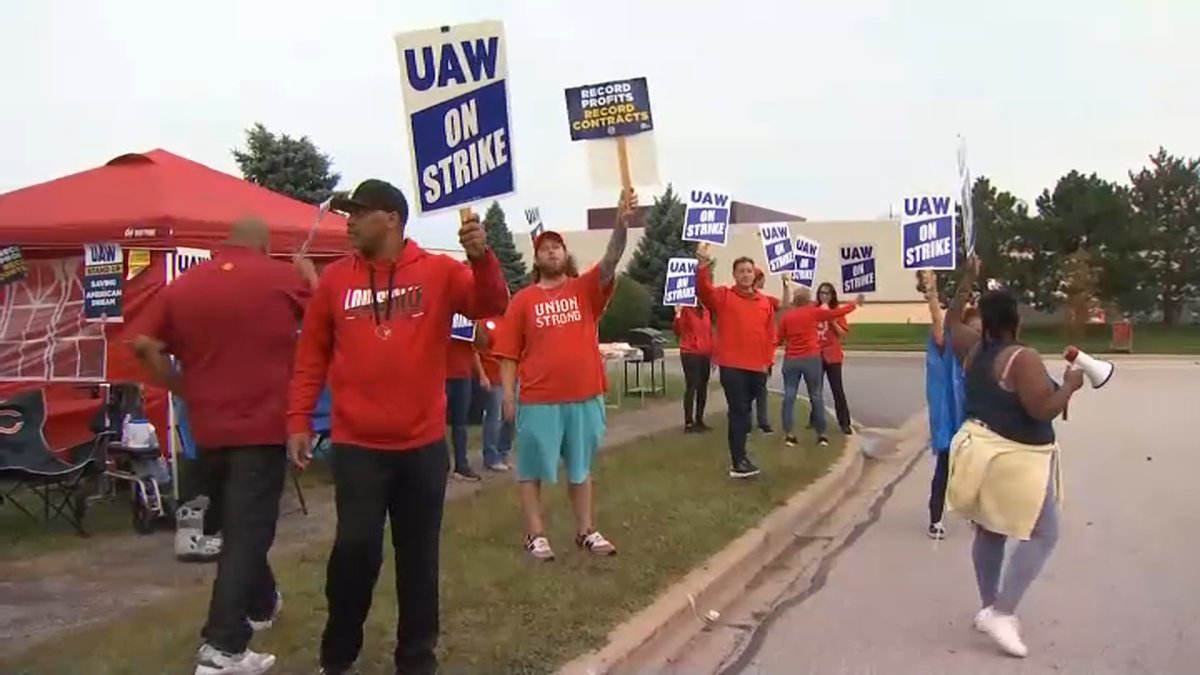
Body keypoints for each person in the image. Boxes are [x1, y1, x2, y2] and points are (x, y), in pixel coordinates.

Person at [285, 179, 508, 675]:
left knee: (418, 559)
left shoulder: (439, 271)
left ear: (390, 218)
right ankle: (338, 655)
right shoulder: (336, 281)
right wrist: (298, 418)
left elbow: (491, 305)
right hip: (358, 446)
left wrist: (482, 257)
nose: (348, 222)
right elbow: (310, 357)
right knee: (354, 551)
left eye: (357, 213)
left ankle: (416, 659)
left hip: (422, 446)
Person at [130, 218, 317, 675]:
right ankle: (224, 647)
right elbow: (323, 326)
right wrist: (310, 277)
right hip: (262, 427)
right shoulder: (281, 277)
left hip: (207, 429)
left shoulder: (185, 285)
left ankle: (263, 602)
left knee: (237, 528)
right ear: (265, 243)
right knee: (249, 534)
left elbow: (143, 345)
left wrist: (179, 385)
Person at [943, 259, 1085, 658]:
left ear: (984, 321)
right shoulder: (1022, 358)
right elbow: (1042, 408)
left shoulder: (971, 349)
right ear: (1016, 320)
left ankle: (990, 606)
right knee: (1045, 534)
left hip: (980, 449)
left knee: (989, 531)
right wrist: (1070, 385)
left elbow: (951, 319)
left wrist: (967, 278)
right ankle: (1001, 612)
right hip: (1016, 456)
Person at [495, 189, 635, 561]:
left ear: (565, 253)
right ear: (537, 258)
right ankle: (535, 534)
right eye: (545, 248)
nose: (552, 251)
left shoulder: (583, 290)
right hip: (539, 399)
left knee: (580, 468)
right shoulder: (523, 300)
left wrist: (620, 223)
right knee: (531, 468)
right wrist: (508, 395)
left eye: (557, 246)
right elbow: (507, 354)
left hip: (584, 396)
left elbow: (610, 260)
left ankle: (585, 530)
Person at [694, 249, 777, 479]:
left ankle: (742, 456)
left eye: (749, 271)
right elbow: (703, 291)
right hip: (732, 366)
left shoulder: (764, 302)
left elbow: (770, 334)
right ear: (734, 275)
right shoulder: (724, 296)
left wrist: (767, 361)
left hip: (757, 367)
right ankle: (738, 461)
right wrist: (703, 265)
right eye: (741, 271)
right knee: (739, 411)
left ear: (754, 274)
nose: (746, 275)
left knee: (745, 412)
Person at [919, 268, 981, 540]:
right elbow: (938, 318)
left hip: (973, 416)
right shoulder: (945, 344)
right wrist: (931, 290)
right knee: (945, 467)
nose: (976, 333)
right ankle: (936, 518)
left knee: (977, 468)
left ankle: (977, 515)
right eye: (972, 327)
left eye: (980, 329)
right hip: (949, 416)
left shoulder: (980, 352)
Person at [776, 285, 862, 448]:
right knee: (816, 395)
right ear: (808, 300)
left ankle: (789, 434)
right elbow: (836, 313)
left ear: (795, 300)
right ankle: (822, 435)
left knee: (789, 396)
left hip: (792, 359)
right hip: (811, 358)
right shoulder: (813, 312)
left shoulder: (787, 317)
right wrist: (854, 303)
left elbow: (779, 338)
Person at [474, 316, 513, 472]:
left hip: (512, 376)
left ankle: (504, 452)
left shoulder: (511, 321)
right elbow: (475, 351)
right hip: (494, 376)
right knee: (494, 416)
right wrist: (482, 376)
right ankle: (491, 457)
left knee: (510, 417)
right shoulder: (484, 323)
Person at [815, 282, 854, 435]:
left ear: (832, 296)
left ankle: (844, 423)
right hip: (817, 354)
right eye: (822, 293)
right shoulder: (814, 311)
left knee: (837, 389)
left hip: (833, 356)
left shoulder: (838, 312)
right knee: (816, 390)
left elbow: (843, 334)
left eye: (827, 293)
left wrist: (831, 320)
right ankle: (815, 420)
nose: (824, 296)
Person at [446, 331, 482, 481]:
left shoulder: (467, 316)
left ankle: (461, 465)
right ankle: (439, 466)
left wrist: (475, 325)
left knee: (461, 424)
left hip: (462, 375)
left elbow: (482, 343)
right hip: (440, 374)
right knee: (435, 424)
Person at [672, 302, 713, 433]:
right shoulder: (686, 309)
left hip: (705, 352)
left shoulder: (706, 311)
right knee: (692, 385)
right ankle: (689, 422)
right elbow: (678, 331)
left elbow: (709, 332)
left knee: (703, 387)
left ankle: (699, 419)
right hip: (690, 352)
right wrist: (678, 314)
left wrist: (713, 353)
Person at [749, 269, 781, 433]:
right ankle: (747, 421)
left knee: (761, 388)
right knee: (750, 390)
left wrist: (786, 284)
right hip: (750, 352)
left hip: (764, 353)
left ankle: (762, 421)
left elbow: (784, 305)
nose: (764, 283)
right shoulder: (745, 300)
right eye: (762, 279)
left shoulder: (766, 300)